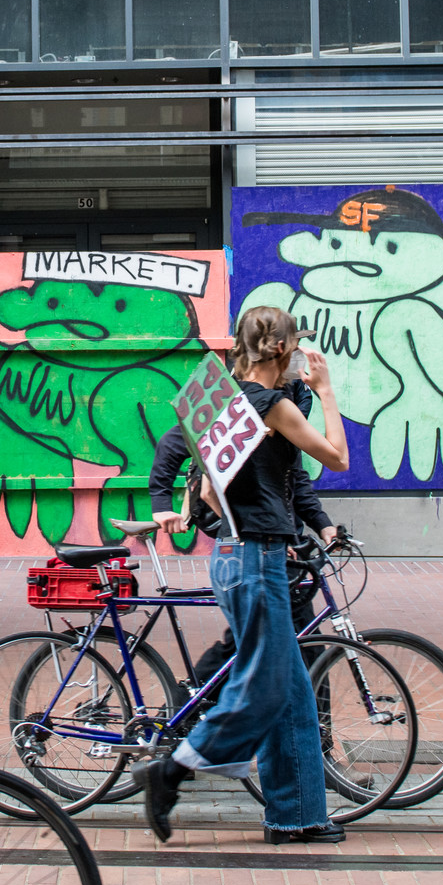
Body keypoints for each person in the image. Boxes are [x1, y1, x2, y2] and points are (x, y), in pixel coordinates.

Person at [132, 305, 352, 847]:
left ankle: (296, 814)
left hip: (233, 553)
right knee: (268, 683)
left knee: (294, 688)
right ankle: (172, 769)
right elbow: (337, 458)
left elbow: (208, 491)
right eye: (297, 345)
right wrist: (325, 391)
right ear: (282, 350)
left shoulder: (220, 402)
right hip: (257, 557)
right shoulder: (273, 405)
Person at [147, 355, 338, 690]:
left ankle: (192, 705)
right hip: (256, 543)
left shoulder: (283, 404)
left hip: (275, 540)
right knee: (271, 651)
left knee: (272, 647)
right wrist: (161, 505)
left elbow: (296, 477)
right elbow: (173, 445)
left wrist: (322, 523)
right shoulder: (238, 406)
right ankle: (189, 709)